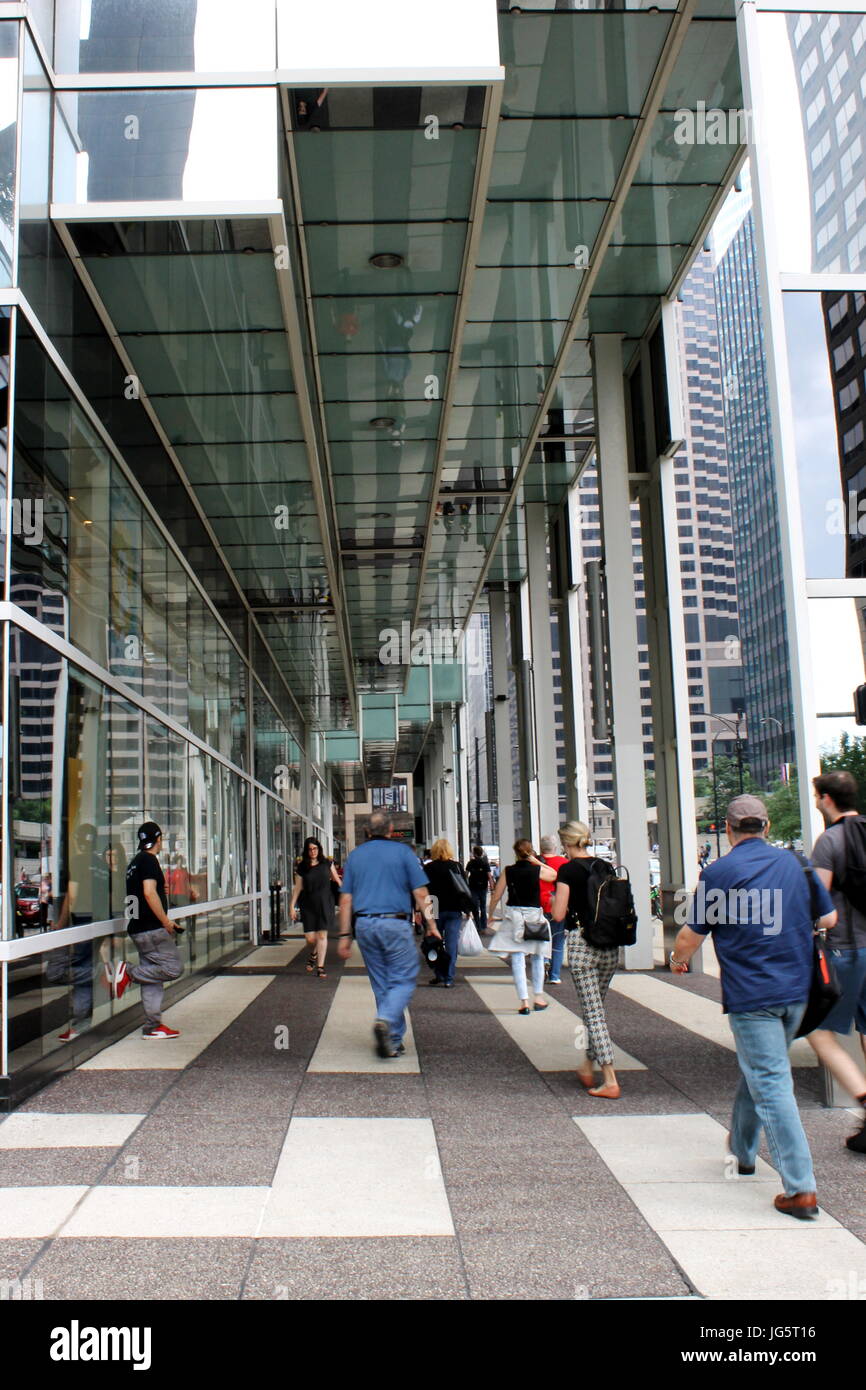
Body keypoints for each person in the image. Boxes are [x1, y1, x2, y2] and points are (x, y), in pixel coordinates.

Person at [670, 795, 836, 1220]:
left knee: (771, 1082)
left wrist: (677, 960)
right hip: (798, 990)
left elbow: (691, 934)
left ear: (728, 830)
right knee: (764, 1067)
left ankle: (801, 1189)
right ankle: (743, 1150)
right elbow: (829, 919)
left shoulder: (719, 872)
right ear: (765, 827)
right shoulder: (797, 864)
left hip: (752, 994)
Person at [337, 811, 439, 1058]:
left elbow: (346, 898)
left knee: (381, 981)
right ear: (391, 829)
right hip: (395, 923)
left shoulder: (355, 857)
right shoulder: (404, 853)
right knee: (404, 977)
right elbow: (421, 893)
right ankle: (385, 1020)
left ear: (368, 831)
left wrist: (344, 936)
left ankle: (393, 1038)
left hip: (365, 926)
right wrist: (432, 924)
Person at [809, 771, 866, 1153]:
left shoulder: (830, 841)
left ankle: (863, 1098)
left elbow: (819, 903)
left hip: (846, 948)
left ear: (827, 799)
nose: (815, 801)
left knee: (818, 1031)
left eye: (816, 795)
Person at [551, 821, 621, 1098]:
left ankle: (610, 1079)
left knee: (593, 1013)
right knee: (597, 1009)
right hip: (610, 945)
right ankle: (586, 1065)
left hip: (582, 944)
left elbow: (558, 914)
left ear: (566, 843)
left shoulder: (567, 870)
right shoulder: (605, 866)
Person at [114, 822, 184, 1039]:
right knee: (174, 968)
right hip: (151, 928)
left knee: (153, 978)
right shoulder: (149, 860)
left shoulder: (134, 862)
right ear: (159, 838)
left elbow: (144, 891)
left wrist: (159, 891)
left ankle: (153, 1026)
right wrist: (166, 922)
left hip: (137, 927)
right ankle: (128, 973)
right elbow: (148, 892)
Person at [487, 840, 557, 1014]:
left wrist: (490, 914)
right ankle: (539, 998)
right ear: (531, 852)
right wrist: (537, 861)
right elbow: (554, 875)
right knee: (538, 956)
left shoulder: (508, 871)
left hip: (514, 916)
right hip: (534, 916)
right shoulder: (537, 870)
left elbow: (497, 894)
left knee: (518, 959)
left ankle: (524, 1002)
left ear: (515, 853)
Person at [289, 836, 341, 979]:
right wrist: (292, 906)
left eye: (315, 848)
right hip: (308, 904)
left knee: (322, 935)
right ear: (306, 851)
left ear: (319, 849)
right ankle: (313, 953)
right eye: (310, 849)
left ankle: (320, 966)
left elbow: (337, 880)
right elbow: (298, 888)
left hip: (325, 903)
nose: (313, 851)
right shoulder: (302, 867)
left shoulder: (327, 863)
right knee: (311, 939)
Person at [425, 839, 471, 988]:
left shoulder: (429, 868)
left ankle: (439, 973)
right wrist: (468, 909)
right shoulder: (456, 866)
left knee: (434, 943)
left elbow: (424, 892)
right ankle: (449, 977)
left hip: (435, 906)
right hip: (454, 907)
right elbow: (464, 889)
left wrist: (422, 912)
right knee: (451, 943)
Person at [539, 833, 568, 984]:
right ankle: (554, 975)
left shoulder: (535, 863)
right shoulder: (563, 863)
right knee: (557, 941)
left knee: (540, 939)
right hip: (557, 905)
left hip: (538, 906)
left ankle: (543, 960)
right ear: (555, 847)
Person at [465, 845, 494, 936]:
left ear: (474, 853)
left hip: (473, 888)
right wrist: (492, 888)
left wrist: (465, 887)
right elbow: (489, 877)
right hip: (483, 888)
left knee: (475, 908)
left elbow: (465, 875)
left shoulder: (470, 863)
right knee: (483, 907)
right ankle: (484, 927)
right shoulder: (485, 863)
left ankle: (478, 926)